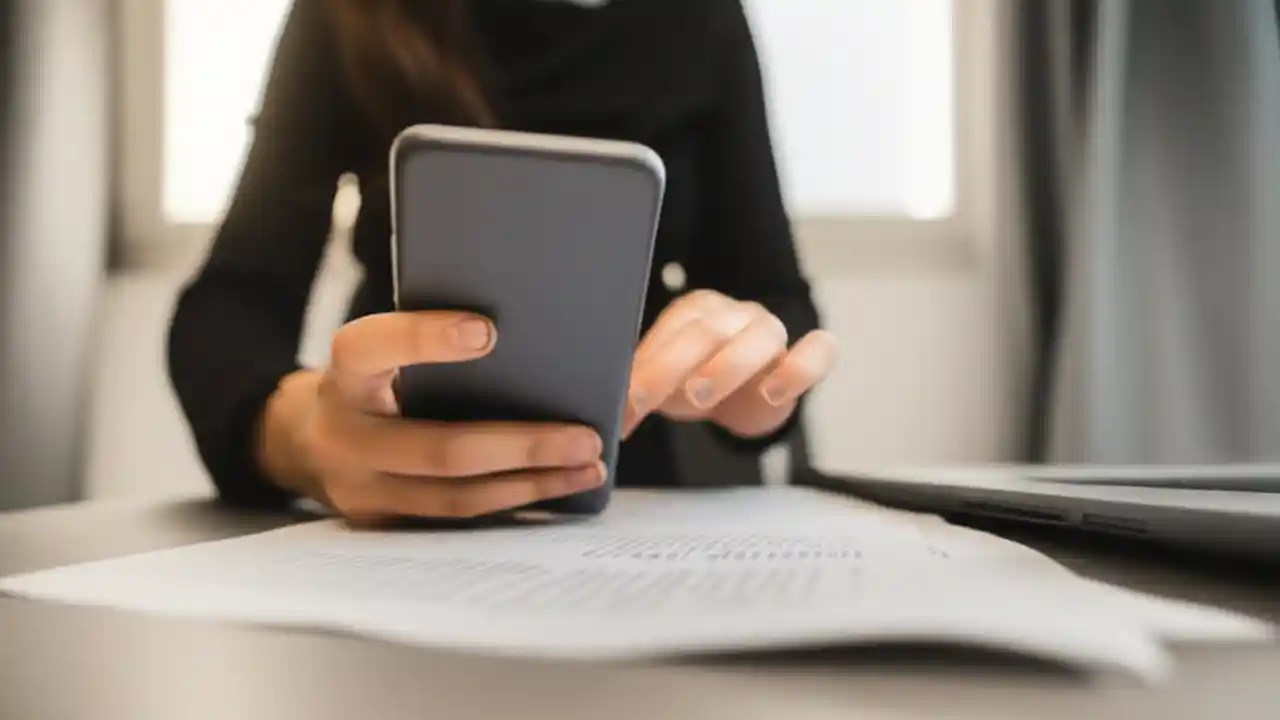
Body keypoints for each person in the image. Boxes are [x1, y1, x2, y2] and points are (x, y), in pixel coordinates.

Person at [168, 0, 838, 522]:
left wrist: (753, 379)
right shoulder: (351, 12)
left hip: (625, 511)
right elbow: (230, 307)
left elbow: (775, 297)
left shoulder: (699, 16)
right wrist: (301, 435)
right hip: (388, 502)